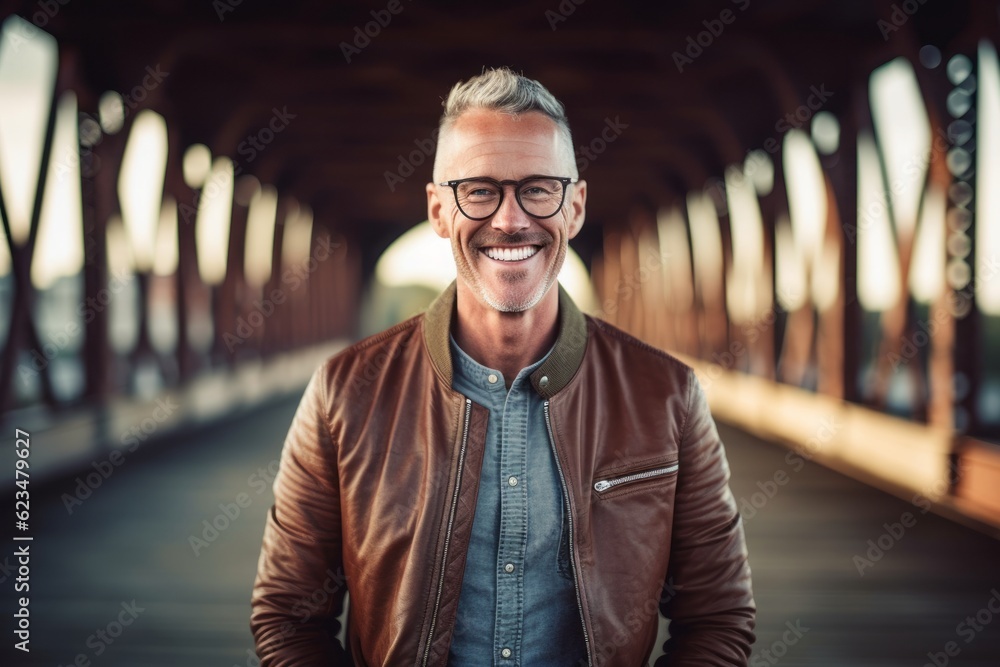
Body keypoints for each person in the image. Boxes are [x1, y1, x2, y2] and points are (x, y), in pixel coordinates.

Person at [251, 67, 755, 666]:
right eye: (480, 189)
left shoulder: (667, 395)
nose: (510, 220)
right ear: (439, 210)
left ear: (576, 207)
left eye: (539, 188)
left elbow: (718, 618)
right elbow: (288, 615)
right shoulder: (345, 393)